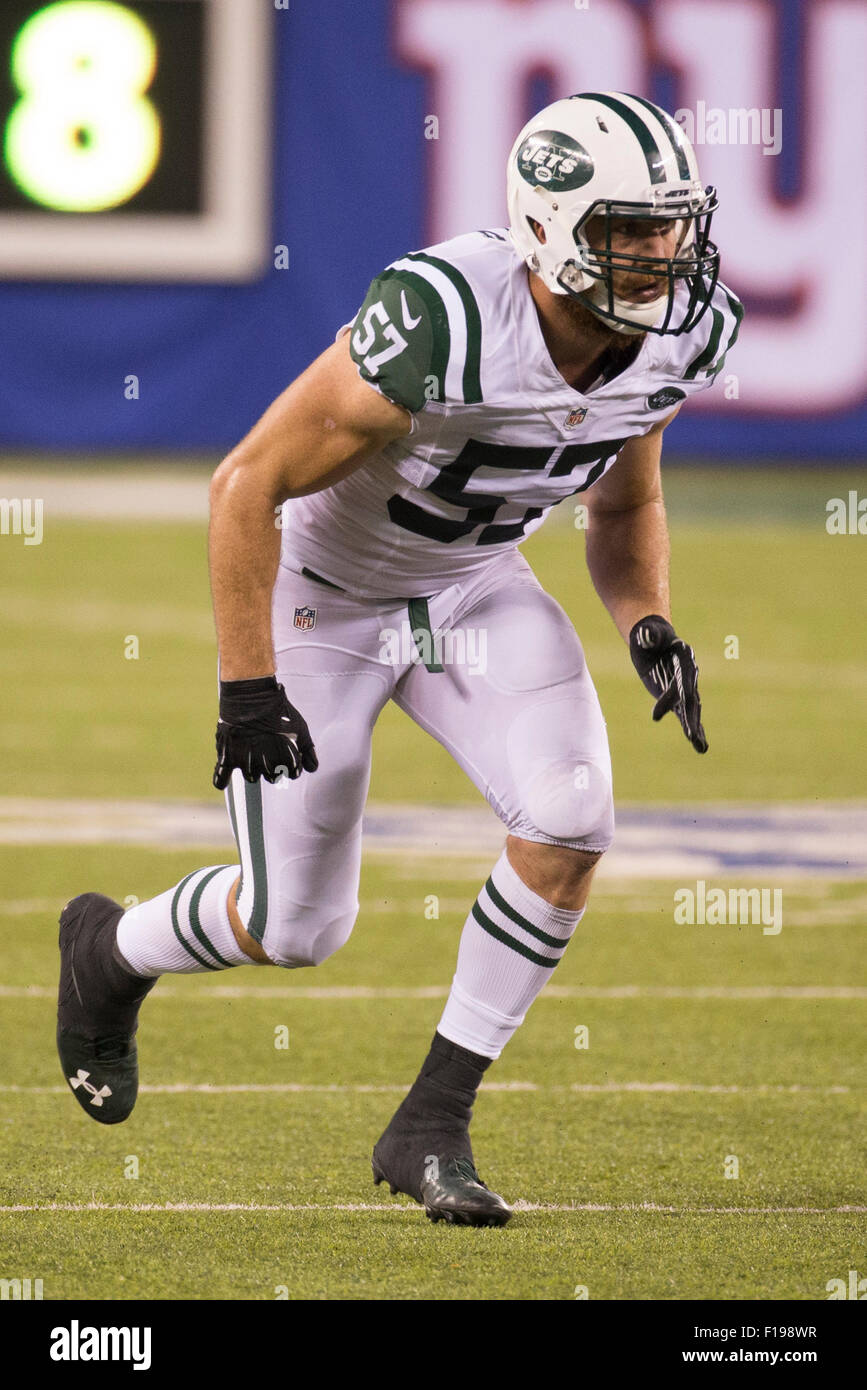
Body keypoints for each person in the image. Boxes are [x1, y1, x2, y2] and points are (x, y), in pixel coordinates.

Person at [57, 92, 741, 1227]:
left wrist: (647, 620)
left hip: (474, 583)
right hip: (324, 596)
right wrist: (245, 685)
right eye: (632, 228)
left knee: (571, 817)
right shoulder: (445, 317)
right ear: (551, 226)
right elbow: (244, 485)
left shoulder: (686, 324)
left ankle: (430, 1123)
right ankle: (108, 950)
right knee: (296, 927)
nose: (662, 255)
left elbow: (629, 498)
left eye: (673, 226)